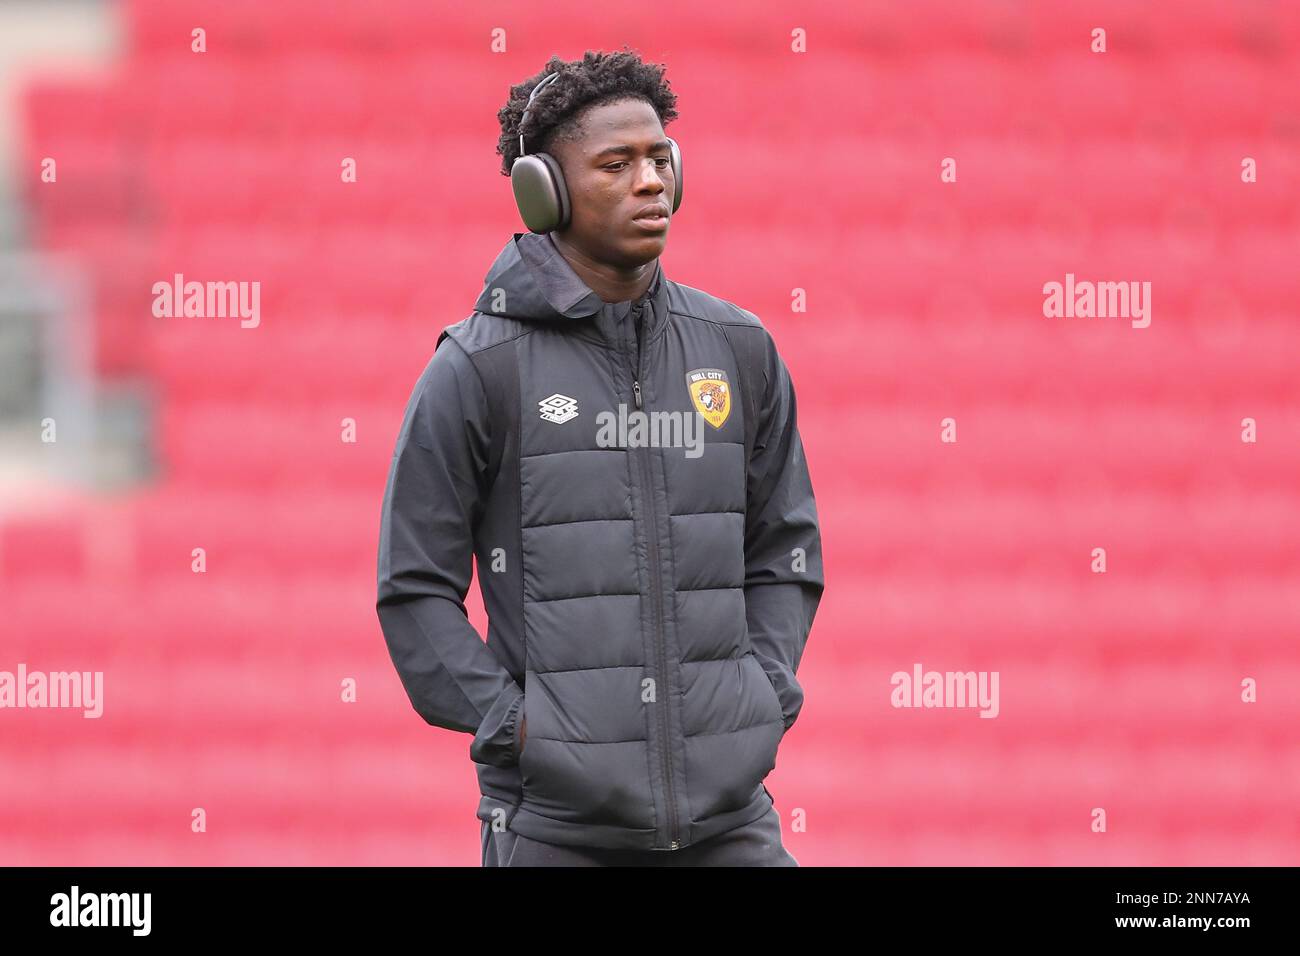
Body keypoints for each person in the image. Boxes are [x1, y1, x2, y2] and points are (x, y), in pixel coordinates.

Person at [375, 48, 824, 867]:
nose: (649, 182)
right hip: (556, 832)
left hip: (733, 827)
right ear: (543, 192)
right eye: (615, 165)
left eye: (660, 160)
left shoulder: (740, 350)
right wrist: (520, 730)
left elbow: (785, 551)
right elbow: (414, 592)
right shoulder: (477, 370)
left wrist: (760, 695)